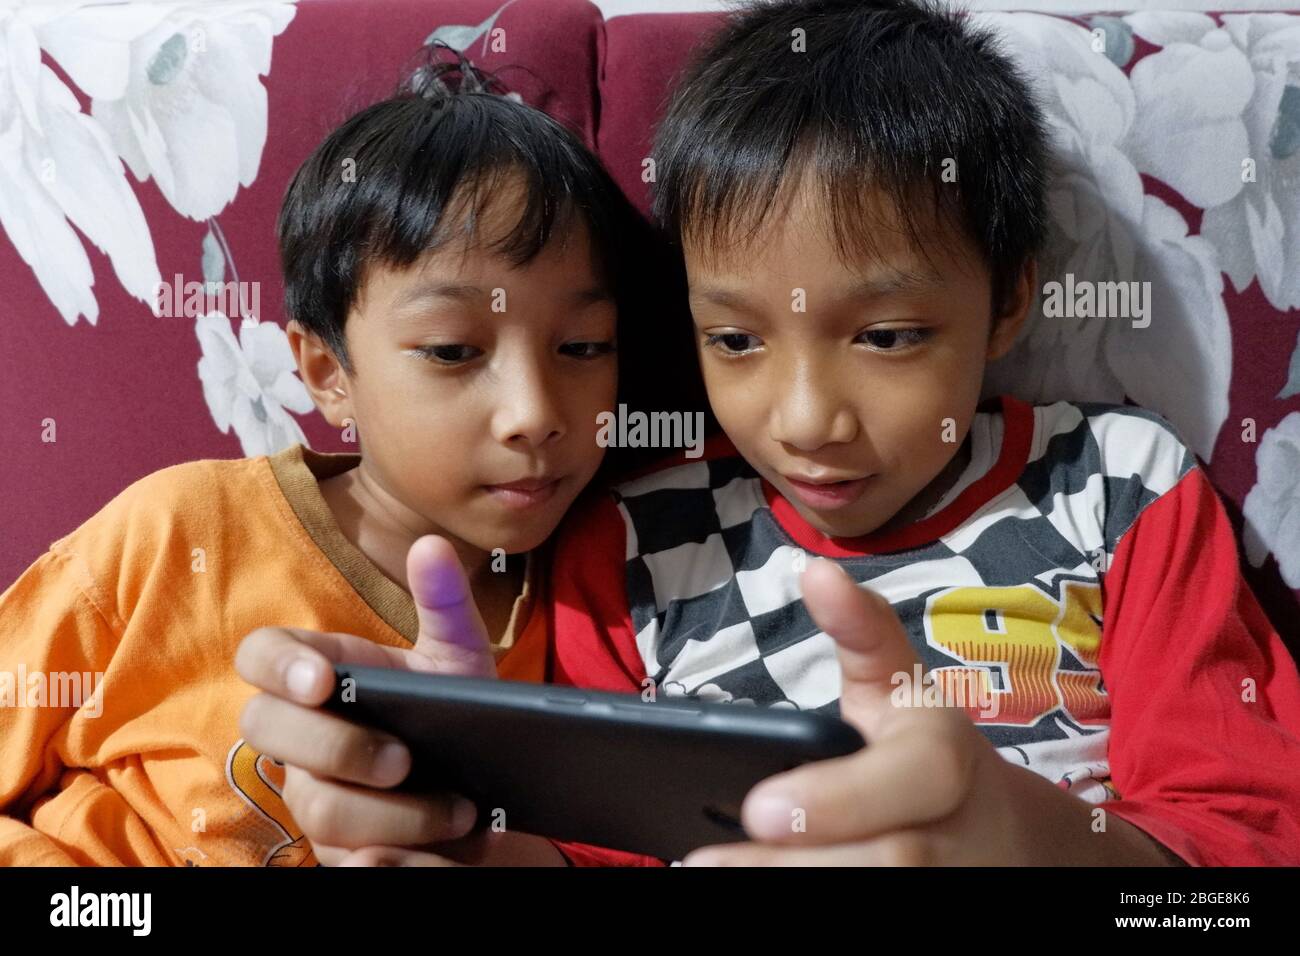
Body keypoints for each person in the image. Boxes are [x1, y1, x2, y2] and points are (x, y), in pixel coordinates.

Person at [237, 0, 1300, 866]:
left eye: (885, 334)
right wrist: (465, 819)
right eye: (734, 340)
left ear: (1009, 298)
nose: (803, 421)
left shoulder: (1120, 486)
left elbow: (1245, 843)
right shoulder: (631, 541)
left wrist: (1021, 834)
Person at [0, 48, 680, 866]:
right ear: (328, 374)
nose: (534, 414)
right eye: (453, 351)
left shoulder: (609, 608)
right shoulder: (176, 534)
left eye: (581, 346)